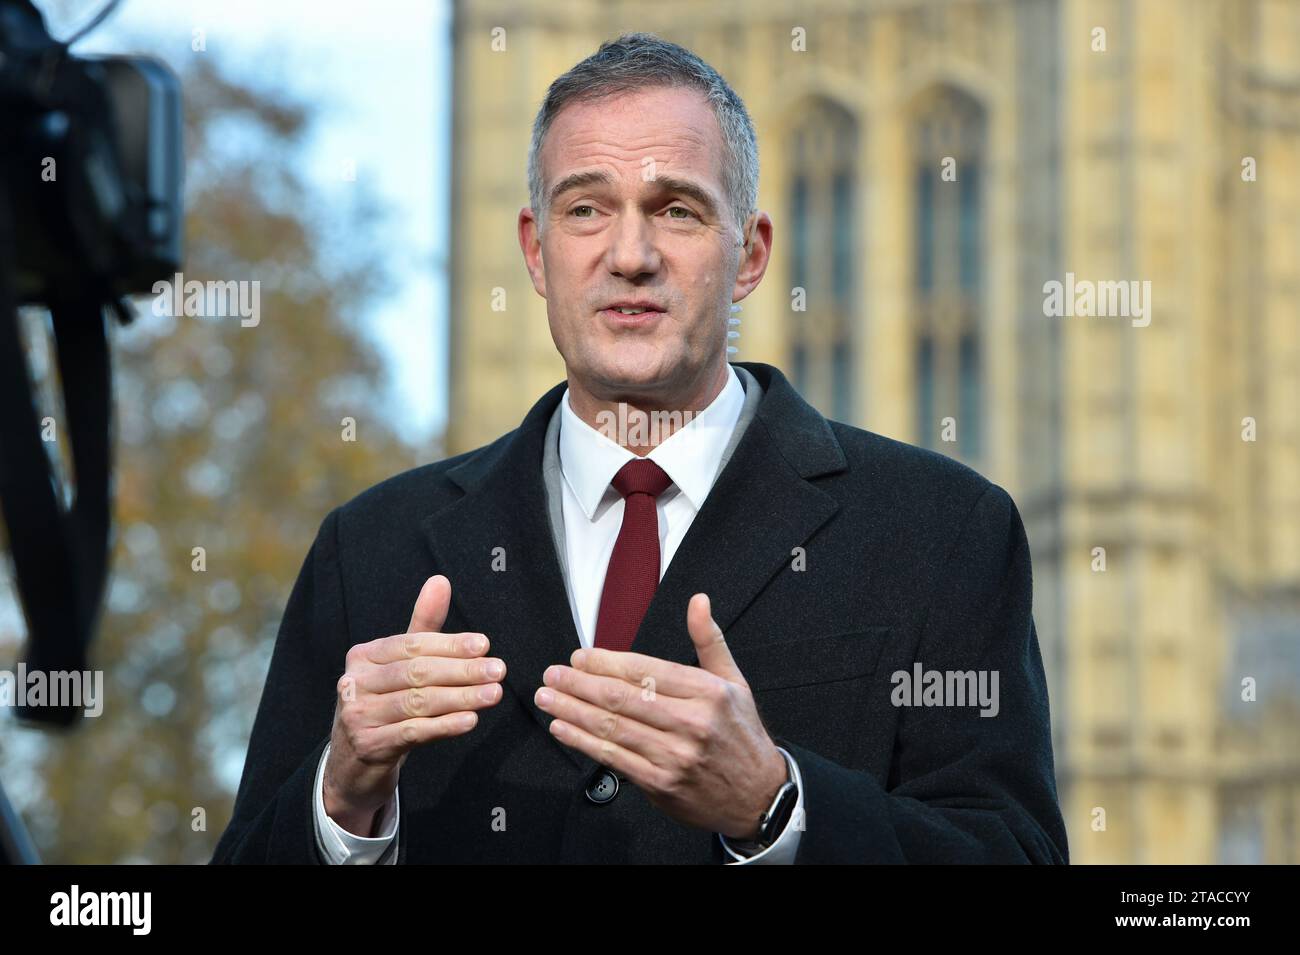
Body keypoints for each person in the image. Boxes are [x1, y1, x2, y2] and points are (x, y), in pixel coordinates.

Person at [211, 32, 1068, 864]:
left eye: (677, 210)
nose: (630, 255)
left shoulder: (944, 530)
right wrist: (340, 805)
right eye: (586, 208)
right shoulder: (371, 550)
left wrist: (778, 807)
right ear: (535, 250)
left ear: (751, 255)